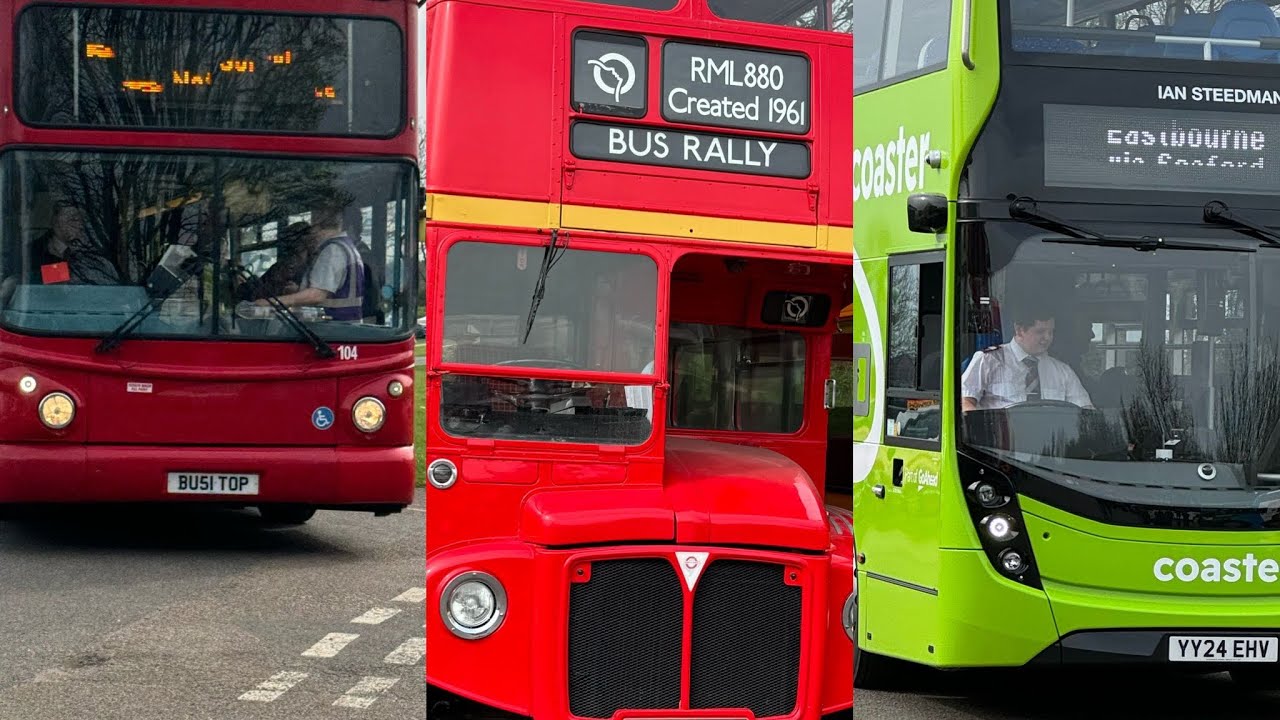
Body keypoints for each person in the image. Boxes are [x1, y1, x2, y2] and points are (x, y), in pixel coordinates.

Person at [961, 306, 1094, 412]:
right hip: (999, 442)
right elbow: (964, 401)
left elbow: (1086, 411)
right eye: (1040, 332)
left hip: (1051, 442)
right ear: (1019, 330)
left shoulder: (1062, 371)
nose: (1047, 338)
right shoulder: (988, 360)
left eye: (1051, 332)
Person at [257, 203, 364, 321]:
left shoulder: (332, 250)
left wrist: (270, 302)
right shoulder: (346, 246)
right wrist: (299, 291)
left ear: (316, 222)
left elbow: (317, 295)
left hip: (333, 329)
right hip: (345, 329)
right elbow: (333, 291)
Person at [236, 221, 312, 301]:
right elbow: (258, 290)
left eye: (295, 240)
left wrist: (299, 290)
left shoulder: (315, 266)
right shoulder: (279, 268)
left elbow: (318, 295)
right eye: (289, 241)